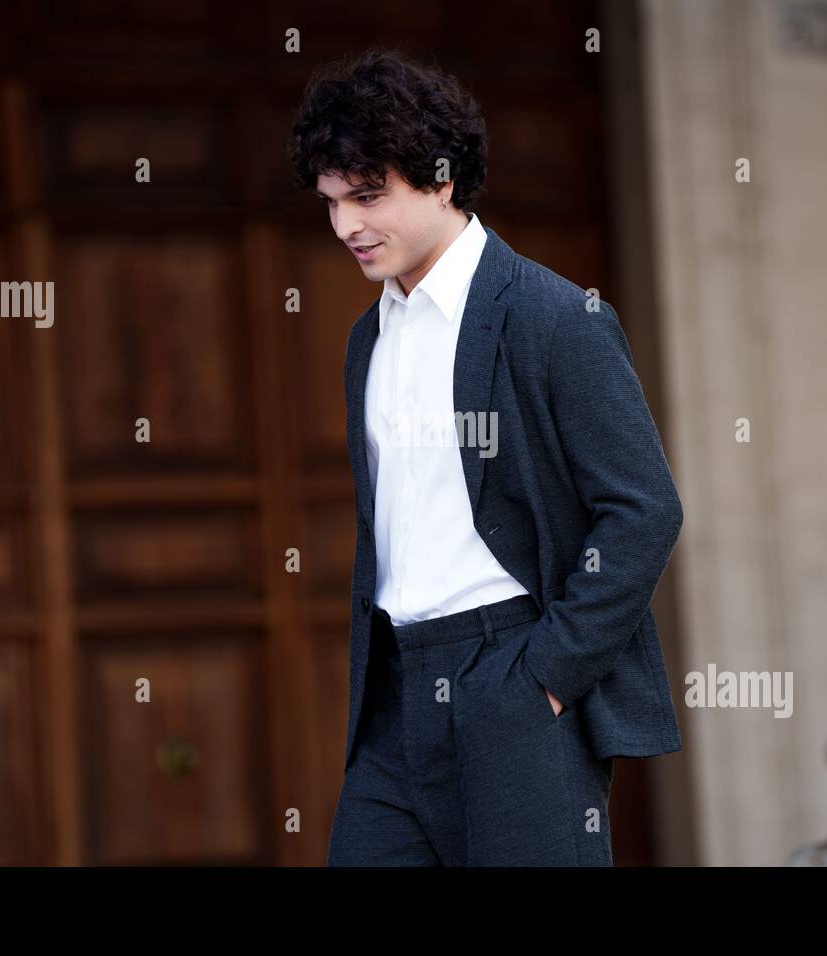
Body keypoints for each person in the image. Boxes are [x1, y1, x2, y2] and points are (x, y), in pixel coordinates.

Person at [289, 50, 684, 866]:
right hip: (394, 698)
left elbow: (644, 509)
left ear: (439, 178)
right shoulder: (368, 338)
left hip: (513, 677)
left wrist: (547, 674)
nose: (346, 227)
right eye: (332, 203)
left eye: (368, 197)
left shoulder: (555, 317)